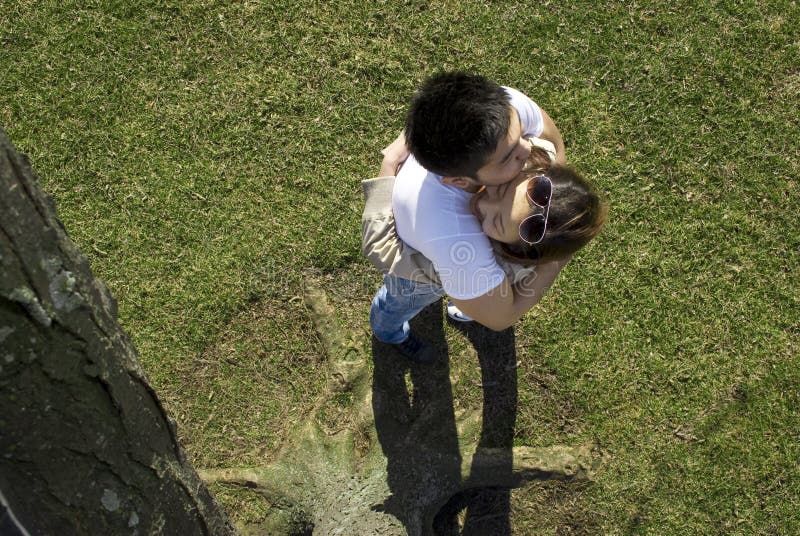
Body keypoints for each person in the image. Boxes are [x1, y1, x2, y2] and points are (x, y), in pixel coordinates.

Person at [365, 131, 607, 363]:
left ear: (516, 251)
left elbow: (385, 250)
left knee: (406, 298)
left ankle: (398, 326)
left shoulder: (479, 266)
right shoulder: (532, 156)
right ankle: (389, 332)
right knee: (396, 307)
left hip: (419, 279)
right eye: (501, 191)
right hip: (435, 274)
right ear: (533, 170)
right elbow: (543, 130)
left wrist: (389, 167)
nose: (483, 205)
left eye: (497, 222)